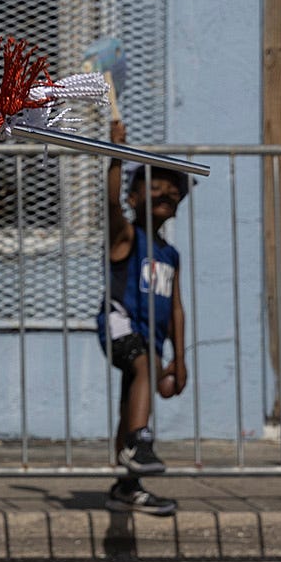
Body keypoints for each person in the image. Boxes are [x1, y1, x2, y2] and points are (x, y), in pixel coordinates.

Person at [102, 147, 190, 519]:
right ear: (134, 197)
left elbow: (175, 308)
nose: (166, 192)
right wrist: (115, 157)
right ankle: (138, 444)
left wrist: (180, 359)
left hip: (152, 341)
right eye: (156, 186)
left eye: (174, 189)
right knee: (145, 364)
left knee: (132, 401)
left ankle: (127, 486)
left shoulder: (169, 254)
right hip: (119, 324)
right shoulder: (127, 237)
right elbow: (110, 206)